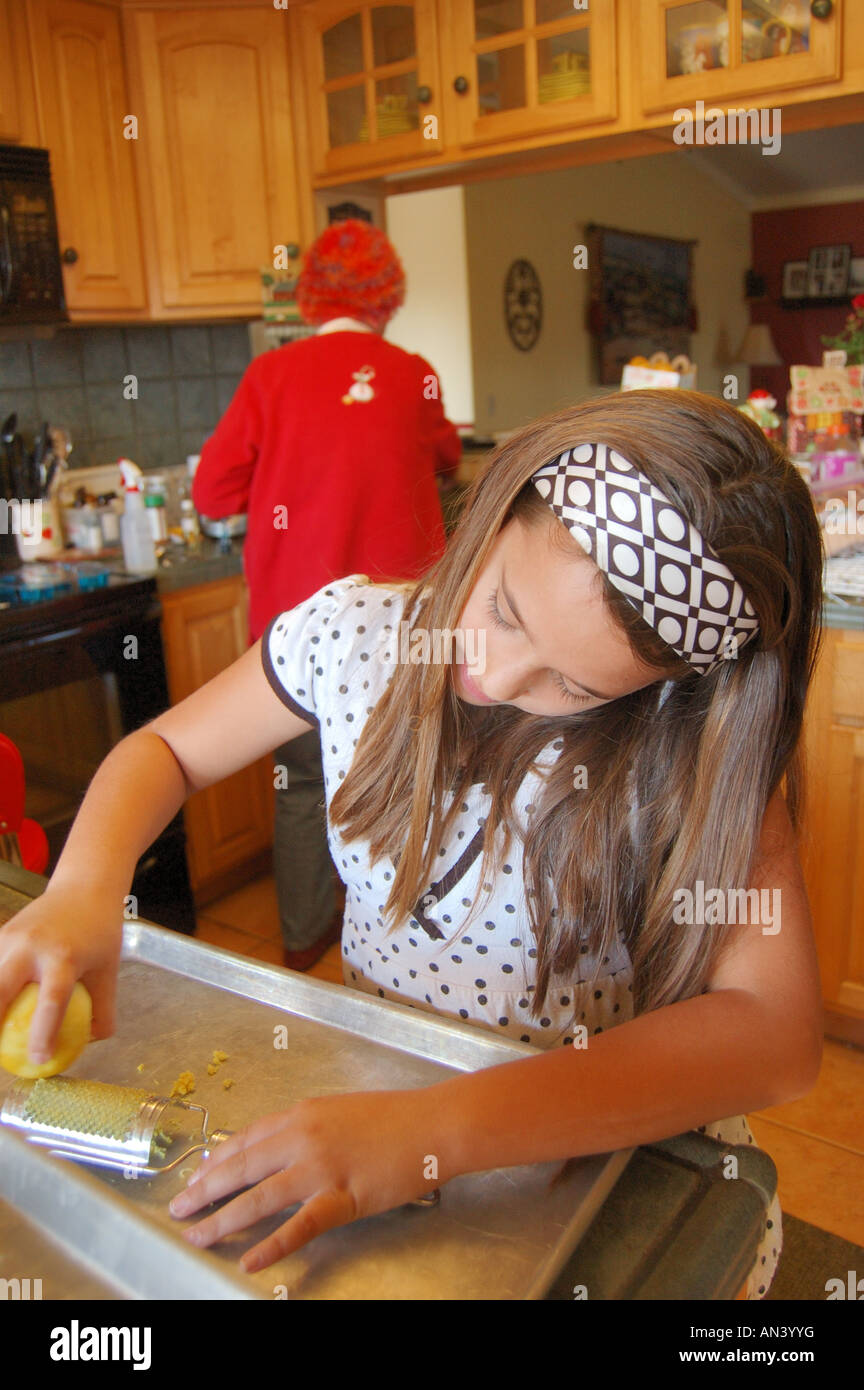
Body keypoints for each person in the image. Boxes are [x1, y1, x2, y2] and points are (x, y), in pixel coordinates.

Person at [0, 390, 823, 1300]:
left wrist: (439, 1130)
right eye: (506, 610)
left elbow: (773, 1033)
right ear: (499, 505)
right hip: (383, 1116)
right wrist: (83, 885)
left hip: (592, 1169)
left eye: (575, 685)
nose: (499, 674)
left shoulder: (682, 742)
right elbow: (164, 751)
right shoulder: (354, 635)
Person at [192, 219, 461, 969]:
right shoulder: (412, 373)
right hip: (402, 624)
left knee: (303, 784)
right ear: (388, 295)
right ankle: (413, 960)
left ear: (311, 294)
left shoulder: (270, 377)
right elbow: (445, 452)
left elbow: (212, 493)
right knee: (412, 775)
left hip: (295, 632)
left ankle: (306, 952)